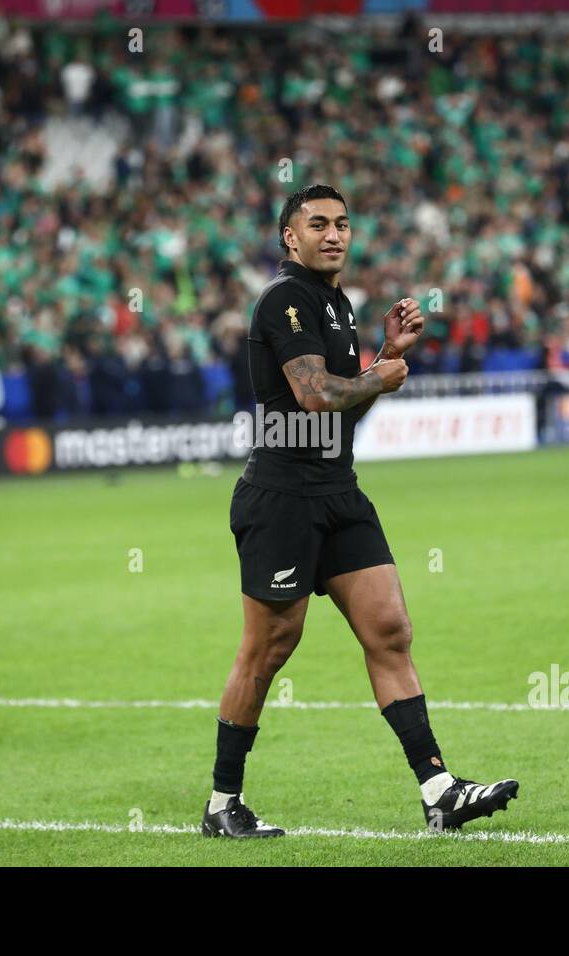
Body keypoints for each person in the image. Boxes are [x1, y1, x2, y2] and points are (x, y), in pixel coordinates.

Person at [202, 184, 519, 839]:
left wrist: (386, 360)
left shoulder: (338, 304)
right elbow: (315, 395)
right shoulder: (285, 299)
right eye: (317, 224)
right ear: (291, 237)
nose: (334, 234)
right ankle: (221, 804)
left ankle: (439, 790)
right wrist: (380, 375)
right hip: (282, 495)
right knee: (267, 650)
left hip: (337, 490)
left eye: (343, 223)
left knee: (390, 629)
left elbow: (344, 407)